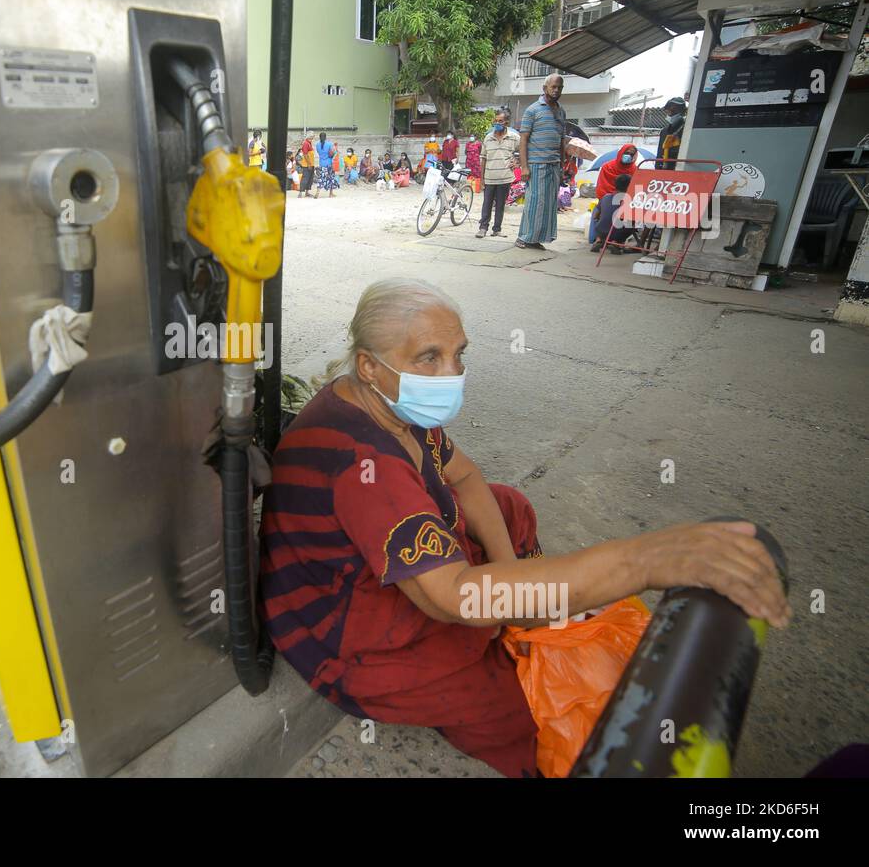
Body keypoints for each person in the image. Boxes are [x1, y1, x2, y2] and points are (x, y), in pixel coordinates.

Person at [259, 278, 790, 777]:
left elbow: (465, 476)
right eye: (429, 357)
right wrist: (643, 561)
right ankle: (509, 650)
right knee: (535, 714)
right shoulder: (363, 465)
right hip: (350, 633)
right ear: (368, 366)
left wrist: (512, 581)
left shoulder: (391, 403)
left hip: (390, 567)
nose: (451, 372)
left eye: (458, 353)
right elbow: (455, 600)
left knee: (507, 507)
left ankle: (516, 610)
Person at [516, 74, 568, 251]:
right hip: (536, 163)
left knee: (549, 204)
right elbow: (523, 140)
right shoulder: (532, 110)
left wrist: (561, 166)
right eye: (553, 87)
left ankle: (536, 239)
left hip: (554, 164)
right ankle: (523, 237)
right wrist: (524, 166)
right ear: (544, 88)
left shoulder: (561, 112)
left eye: (559, 87)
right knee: (534, 201)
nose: (556, 90)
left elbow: (562, 140)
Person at [476, 111, 518, 239]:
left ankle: (497, 229)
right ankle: (483, 228)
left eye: (500, 121)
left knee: (500, 205)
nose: (497, 123)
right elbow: (483, 158)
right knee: (487, 204)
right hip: (489, 177)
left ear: (506, 123)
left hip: (505, 177)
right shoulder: (488, 138)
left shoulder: (514, 138)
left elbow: (524, 150)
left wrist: (518, 162)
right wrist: (482, 178)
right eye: (496, 121)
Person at [589, 173, 640, 253]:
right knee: (631, 223)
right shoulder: (630, 201)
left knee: (600, 217)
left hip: (601, 230)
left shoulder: (606, 197)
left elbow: (596, 215)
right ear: (630, 186)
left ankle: (599, 240)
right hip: (618, 232)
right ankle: (616, 242)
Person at [656, 97, 687, 170]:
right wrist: (657, 169)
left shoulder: (686, 130)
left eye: (674, 110)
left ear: (682, 112)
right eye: (668, 110)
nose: (670, 113)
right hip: (662, 169)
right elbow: (660, 153)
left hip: (679, 169)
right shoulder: (664, 131)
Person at [313, 131, 338, 198]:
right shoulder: (329, 144)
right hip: (329, 164)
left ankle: (317, 193)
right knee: (331, 178)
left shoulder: (317, 145)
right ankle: (331, 193)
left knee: (321, 178)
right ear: (326, 137)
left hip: (321, 164)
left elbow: (319, 153)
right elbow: (334, 153)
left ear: (319, 137)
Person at [298, 134, 315, 198]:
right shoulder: (306, 143)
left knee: (310, 179)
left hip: (311, 164)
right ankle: (300, 193)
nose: (312, 138)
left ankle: (307, 192)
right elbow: (305, 155)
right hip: (307, 165)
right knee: (305, 178)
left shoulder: (309, 143)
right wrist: (309, 164)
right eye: (311, 137)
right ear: (308, 137)